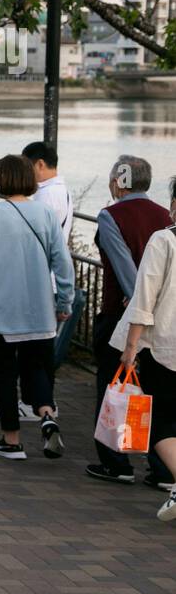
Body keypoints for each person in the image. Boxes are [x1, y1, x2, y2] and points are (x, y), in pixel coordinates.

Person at [0, 155, 75, 461]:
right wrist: (64, 301)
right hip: (40, 309)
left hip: (3, 309)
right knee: (37, 369)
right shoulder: (45, 214)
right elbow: (63, 264)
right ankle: (46, 414)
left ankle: (12, 441)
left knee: (5, 374)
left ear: (3, 179)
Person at [86, 155, 176, 489]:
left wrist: (135, 299)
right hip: (164, 323)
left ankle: (116, 462)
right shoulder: (165, 216)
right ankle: (163, 469)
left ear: (117, 181)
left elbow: (125, 267)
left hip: (122, 318)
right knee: (156, 395)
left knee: (114, 387)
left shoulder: (110, 215)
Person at [114, 175, 176, 521]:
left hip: (164, 346)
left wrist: (131, 346)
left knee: (158, 424)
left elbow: (144, 297)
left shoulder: (164, 240)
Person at [23, 141, 74, 246]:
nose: (25, 172)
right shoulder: (61, 189)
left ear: (40, 164)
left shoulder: (47, 194)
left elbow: (34, 234)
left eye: (27, 167)